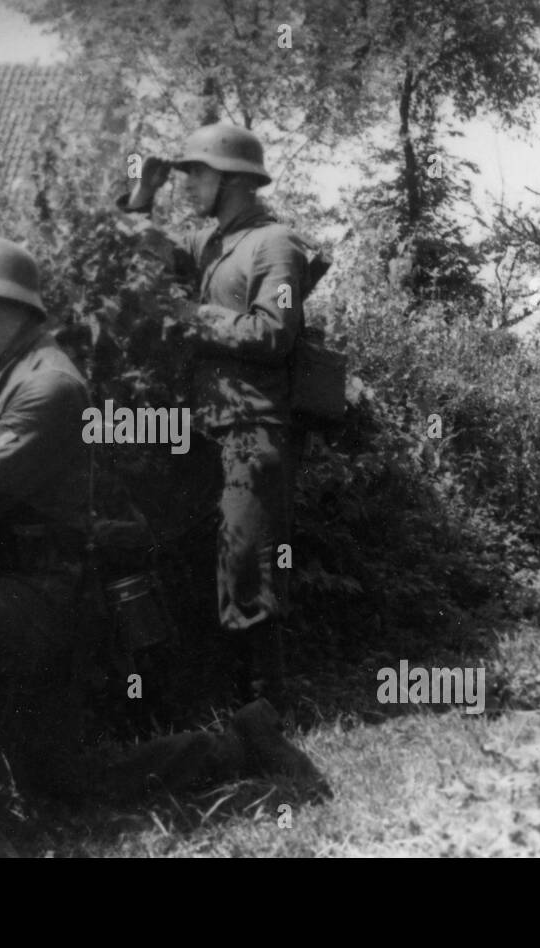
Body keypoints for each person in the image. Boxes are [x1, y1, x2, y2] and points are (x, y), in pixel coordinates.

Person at [0, 235, 328, 844]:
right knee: (66, 778)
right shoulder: (12, 377)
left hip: (47, 601)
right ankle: (239, 743)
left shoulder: (49, 387)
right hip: (29, 594)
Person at [117, 122, 311, 708]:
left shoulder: (275, 244)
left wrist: (195, 315)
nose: (190, 185)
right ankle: (223, 706)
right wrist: (141, 198)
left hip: (252, 431)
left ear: (231, 179)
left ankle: (264, 713)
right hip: (205, 433)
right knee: (205, 565)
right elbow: (146, 263)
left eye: (196, 173)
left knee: (246, 569)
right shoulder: (210, 247)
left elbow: (274, 331)